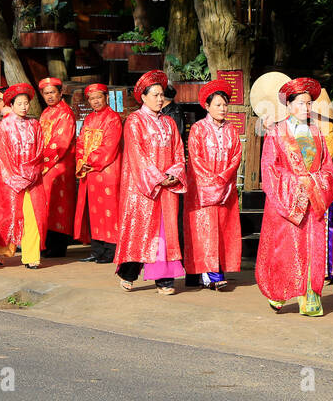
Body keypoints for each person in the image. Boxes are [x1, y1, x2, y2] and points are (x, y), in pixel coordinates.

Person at [256, 78, 333, 316]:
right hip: (286, 202)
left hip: (313, 198)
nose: (306, 108)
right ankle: (278, 290)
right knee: (286, 249)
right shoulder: (276, 133)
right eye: (301, 103)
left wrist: (315, 182)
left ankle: (310, 294)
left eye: (309, 103)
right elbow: (270, 169)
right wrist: (296, 183)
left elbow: (327, 167)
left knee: (312, 247)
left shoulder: (316, 132)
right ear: (289, 105)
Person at [114, 71, 187, 294]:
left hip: (166, 188)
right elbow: (137, 155)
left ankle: (164, 279)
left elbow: (178, 151)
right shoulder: (135, 121)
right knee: (141, 230)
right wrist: (158, 178)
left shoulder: (169, 122)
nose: (159, 99)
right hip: (142, 188)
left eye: (161, 95)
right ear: (143, 97)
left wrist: (174, 174)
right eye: (154, 95)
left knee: (164, 231)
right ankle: (128, 272)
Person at [184, 80, 243, 289]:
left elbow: (236, 156)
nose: (222, 109)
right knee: (205, 231)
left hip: (225, 189)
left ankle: (214, 272)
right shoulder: (198, 129)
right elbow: (195, 158)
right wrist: (211, 180)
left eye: (225, 104)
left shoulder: (231, 130)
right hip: (202, 190)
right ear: (207, 106)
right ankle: (211, 276)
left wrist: (223, 178)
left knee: (222, 230)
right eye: (218, 104)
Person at [0, 84, 48, 269]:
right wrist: (17, 176)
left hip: (32, 179)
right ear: (12, 105)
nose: (24, 107)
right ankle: (3, 252)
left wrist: (31, 172)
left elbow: (40, 151)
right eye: (20, 103)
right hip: (11, 180)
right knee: (9, 215)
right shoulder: (4, 126)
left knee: (32, 217)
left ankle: (31, 256)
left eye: (26, 103)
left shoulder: (35, 125)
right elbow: (3, 155)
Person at [73, 83, 123, 263]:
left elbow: (109, 146)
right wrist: (81, 159)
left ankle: (111, 250)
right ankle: (97, 249)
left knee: (109, 210)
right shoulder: (88, 120)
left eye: (98, 97)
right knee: (94, 211)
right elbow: (79, 142)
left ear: (106, 98)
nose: (95, 101)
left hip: (107, 172)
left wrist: (88, 161)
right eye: (92, 99)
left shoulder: (113, 118)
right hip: (90, 173)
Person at [36, 77, 78, 259]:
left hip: (59, 166)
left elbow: (60, 143)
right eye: (46, 93)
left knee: (59, 206)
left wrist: (42, 163)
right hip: (46, 166)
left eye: (53, 92)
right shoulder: (45, 112)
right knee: (46, 205)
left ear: (60, 93)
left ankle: (58, 246)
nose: (50, 96)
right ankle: (46, 243)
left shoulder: (65, 113)